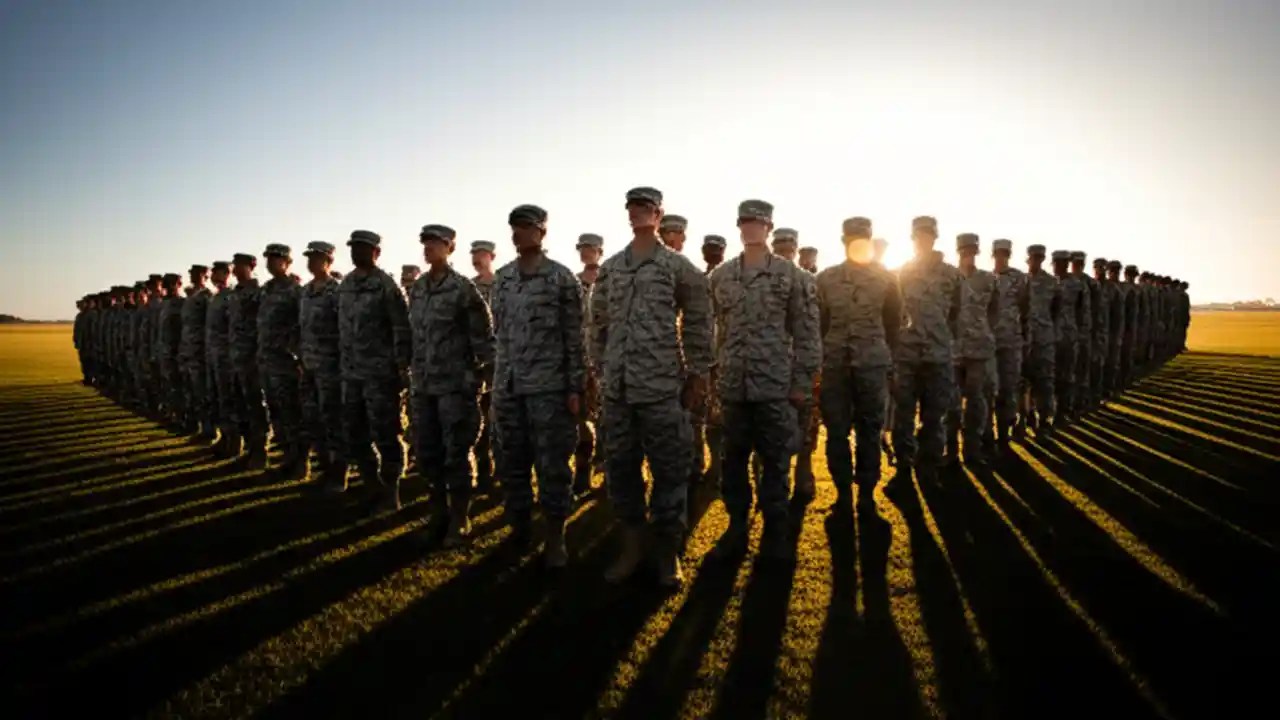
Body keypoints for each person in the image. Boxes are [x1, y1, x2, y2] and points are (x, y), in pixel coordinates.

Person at [591, 187, 712, 587]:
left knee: (670, 472)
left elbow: (698, 322)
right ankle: (630, 548)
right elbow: (598, 325)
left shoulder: (679, 268)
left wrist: (698, 374)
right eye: (633, 207)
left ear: (660, 214)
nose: (639, 213)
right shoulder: (611, 268)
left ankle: (667, 554)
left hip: (662, 388)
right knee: (621, 472)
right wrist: (599, 372)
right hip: (619, 391)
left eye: (647, 208)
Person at [707, 200, 820, 559]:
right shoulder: (721, 277)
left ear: (769, 227)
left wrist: (801, 384)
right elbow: (713, 333)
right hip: (733, 388)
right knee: (733, 460)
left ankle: (775, 529)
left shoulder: (792, 277)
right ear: (739, 226)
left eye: (758, 223)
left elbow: (807, 335)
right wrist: (713, 379)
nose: (750, 228)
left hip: (775, 387)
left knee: (775, 462)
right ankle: (737, 525)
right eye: (744, 222)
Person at [489, 206, 584, 567]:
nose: (517, 234)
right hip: (510, 386)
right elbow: (500, 336)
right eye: (514, 228)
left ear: (542, 232)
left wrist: (574, 387)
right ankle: (519, 527)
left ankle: (555, 536)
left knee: (553, 465)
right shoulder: (503, 279)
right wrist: (498, 388)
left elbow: (575, 337)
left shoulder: (561, 279)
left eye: (525, 228)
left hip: (549, 388)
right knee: (511, 461)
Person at [409, 224, 495, 548]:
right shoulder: (417, 288)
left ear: (449, 248)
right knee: (428, 452)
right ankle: (437, 513)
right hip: (424, 385)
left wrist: (482, 380)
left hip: (455, 387)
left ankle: (460, 517)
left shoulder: (462, 289)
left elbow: (484, 339)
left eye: (435, 243)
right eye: (426, 243)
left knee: (457, 454)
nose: (429, 248)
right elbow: (412, 334)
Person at [816, 217, 901, 508]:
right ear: (844, 242)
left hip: (872, 364)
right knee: (836, 431)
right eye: (851, 238)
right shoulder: (825, 279)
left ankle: (866, 492)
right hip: (835, 366)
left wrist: (890, 364)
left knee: (870, 429)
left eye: (861, 238)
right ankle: (842, 493)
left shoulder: (887, 279)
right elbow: (819, 324)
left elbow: (894, 324)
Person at [338, 230, 412, 512]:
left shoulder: (386, 285)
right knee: (354, 433)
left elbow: (401, 329)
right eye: (354, 247)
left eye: (363, 248)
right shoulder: (346, 284)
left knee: (386, 433)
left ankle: (391, 490)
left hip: (380, 375)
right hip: (351, 374)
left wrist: (401, 368)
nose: (357, 252)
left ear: (376, 253)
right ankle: (371, 484)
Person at [889, 217, 962, 491]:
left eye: (927, 235)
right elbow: (893, 313)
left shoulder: (951, 275)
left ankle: (929, 466)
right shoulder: (901, 273)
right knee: (903, 413)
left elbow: (957, 315)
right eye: (918, 235)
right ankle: (904, 467)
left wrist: (949, 345)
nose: (923, 239)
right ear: (912, 238)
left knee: (934, 415)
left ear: (934, 237)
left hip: (938, 356)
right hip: (906, 355)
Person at [768, 226, 820, 499]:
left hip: (801, 365)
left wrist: (811, 365)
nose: (785, 254)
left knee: (807, 422)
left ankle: (803, 473)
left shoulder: (808, 282)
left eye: (790, 250)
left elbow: (819, 326)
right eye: (781, 249)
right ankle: (774, 481)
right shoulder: (759, 280)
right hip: (768, 369)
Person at [948, 233, 999, 468]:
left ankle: (973, 448)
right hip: (952, 349)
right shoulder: (947, 277)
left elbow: (995, 312)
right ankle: (950, 450)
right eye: (964, 251)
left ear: (977, 252)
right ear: (958, 251)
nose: (967, 254)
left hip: (979, 348)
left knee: (977, 401)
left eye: (971, 250)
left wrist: (987, 333)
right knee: (951, 401)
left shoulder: (988, 280)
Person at [299, 242, 345, 490]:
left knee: (333, 421)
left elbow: (344, 329)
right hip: (308, 366)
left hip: (330, 367)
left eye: (317, 258)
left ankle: (339, 474)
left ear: (328, 261)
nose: (311, 262)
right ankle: (324, 467)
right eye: (309, 258)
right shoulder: (305, 292)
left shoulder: (336, 291)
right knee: (312, 419)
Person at [258, 244, 305, 477]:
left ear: (287, 262)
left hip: (286, 362)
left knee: (291, 413)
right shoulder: (266, 289)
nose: (271, 262)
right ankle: (287, 457)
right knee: (275, 412)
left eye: (276, 259)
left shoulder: (295, 290)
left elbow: (302, 325)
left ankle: (300, 462)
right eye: (268, 259)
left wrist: (295, 353)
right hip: (267, 361)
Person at [989, 239, 1029, 454]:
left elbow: (1026, 308)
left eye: (1004, 253)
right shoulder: (986, 278)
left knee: (1008, 388)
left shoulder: (1019, 279)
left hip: (1011, 342)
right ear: (992, 254)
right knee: (988, 390)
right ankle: (988, 434)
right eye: (998, 253)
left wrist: (1024, 337)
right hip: (989, 342)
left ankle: (1004, 434)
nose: (1001, 257)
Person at [694, 234, 727, 485]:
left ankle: (718, 466)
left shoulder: (730, 279)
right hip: (700, 360)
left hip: (725, 361)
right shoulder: (697, 280)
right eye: (709, 249)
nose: (712, 253)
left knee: (719, 418)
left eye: (717, 250)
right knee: (698, 416)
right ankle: (699, 462)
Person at [574, 232, 605, 496]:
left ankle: (609, 478)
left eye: (590, 248)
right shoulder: (573, 282)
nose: (586, 252)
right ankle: (582, 476)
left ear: (600, 251)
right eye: (582, 249)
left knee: (610, 421)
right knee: (581, 420)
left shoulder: (610, 279)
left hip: (607, 361)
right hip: (580, 361)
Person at [470, 240, 498, 492]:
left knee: (500, 420)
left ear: (492, 256)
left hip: (500, 365)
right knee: (478, 421)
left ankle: (503, 470)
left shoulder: (503, 285)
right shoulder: (468, 288)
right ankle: (483, 470)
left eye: (481, 254)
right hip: (475, 367)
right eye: (474, 254)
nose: (477, 259)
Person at [180, 264, 214, 439]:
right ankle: (196, 426)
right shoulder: (190, 297)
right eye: (191, 273)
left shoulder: (206, 296)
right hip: (189, 351)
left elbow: (210, 325)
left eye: (197, 274)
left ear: (205, 276)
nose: (193, 276)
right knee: (192, 392)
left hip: (200, 352)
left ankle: (209, 430)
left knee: (203, 393)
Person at [1053, 250, 1086, 425]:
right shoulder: (1050, 283)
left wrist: (1082, 334)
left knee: (1066, 376)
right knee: (1051, 376)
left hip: (1069, 336)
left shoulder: (1077, 285)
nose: (1058, 267)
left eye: (1062, 263)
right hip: (1051, 337)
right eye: (1056, 263)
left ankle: (1063, 410)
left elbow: (1083, 311)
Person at [206, 261, 234, 456]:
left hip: (227, 356)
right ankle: (224, 437)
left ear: (226, 273)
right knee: (219, 399)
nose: (213, 274)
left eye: (217, 272)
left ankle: (234, 441)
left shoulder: (230, 296)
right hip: (215, 354)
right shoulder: (215, 297)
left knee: (229, 399)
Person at [158, 272, 186, 429]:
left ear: (178, 285)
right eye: (166, 284)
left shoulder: (182, 303)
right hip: (165, 352)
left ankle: (182, 418)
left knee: (179, 388)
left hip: (178, 352)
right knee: (169, 386)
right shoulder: (165, 304)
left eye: (172, 284)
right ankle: (173, 415)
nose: (168, 288)